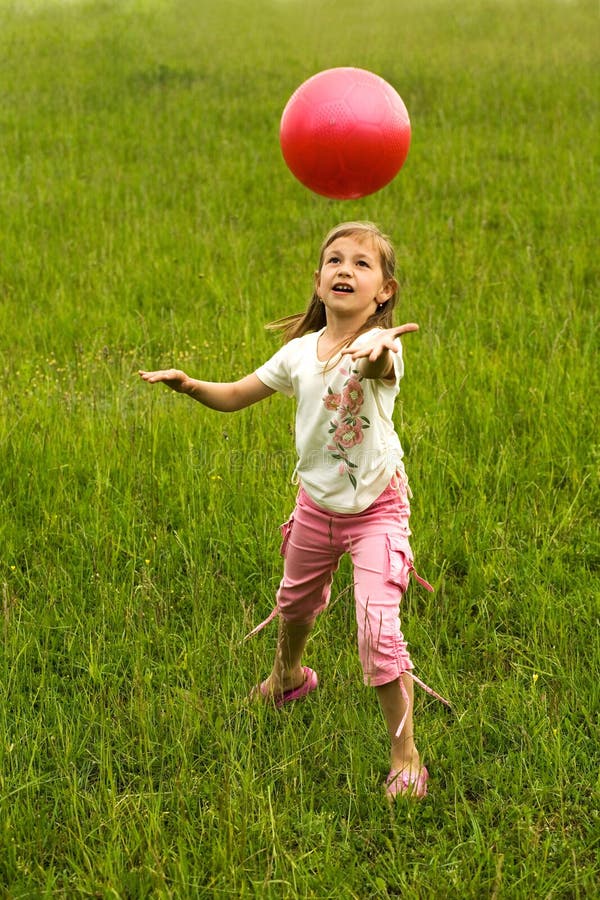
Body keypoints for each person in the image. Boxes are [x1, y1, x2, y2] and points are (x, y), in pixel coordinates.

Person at [139, 221, 449, 800]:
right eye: (335, 260)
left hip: (377, 508)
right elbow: (235, 395)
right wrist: (190, 385)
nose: (345, 270)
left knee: (378, 631)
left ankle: (405, 754)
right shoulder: (299, 353)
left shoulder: (385, 350)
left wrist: (378, 349)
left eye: (362, 264)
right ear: (317, 278)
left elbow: (381, 369)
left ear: (385, 291)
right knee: (296, 604)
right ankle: (287, 677)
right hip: (315, 504)